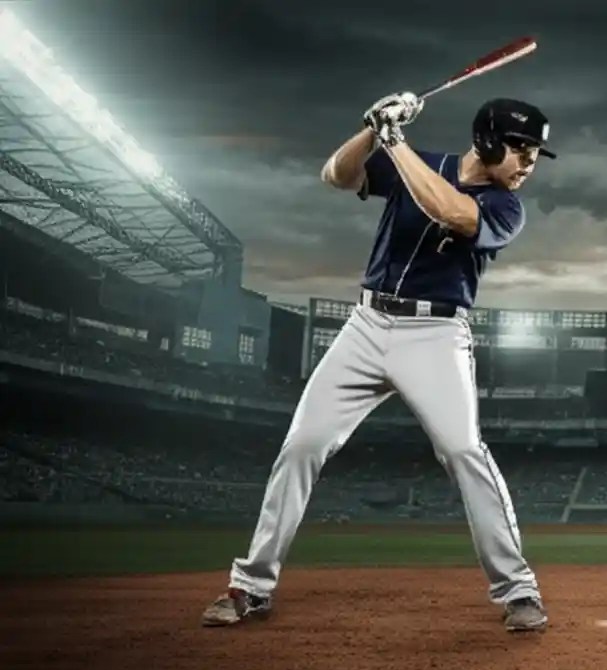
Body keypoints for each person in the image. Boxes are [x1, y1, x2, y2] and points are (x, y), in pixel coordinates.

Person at [200, 92, 555, 632]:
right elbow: (336, 175)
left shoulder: (507, 208)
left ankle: (518, 589)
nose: (529, 163)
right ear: (486, 140)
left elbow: (449, 210)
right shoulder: (422, 161)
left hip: (435, 335)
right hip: (366, 325)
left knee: (463, 451)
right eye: (520, 149)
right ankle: (251, 584)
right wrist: (371, 127)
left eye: (534, 154)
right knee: (302, 445)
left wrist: (395, 139)